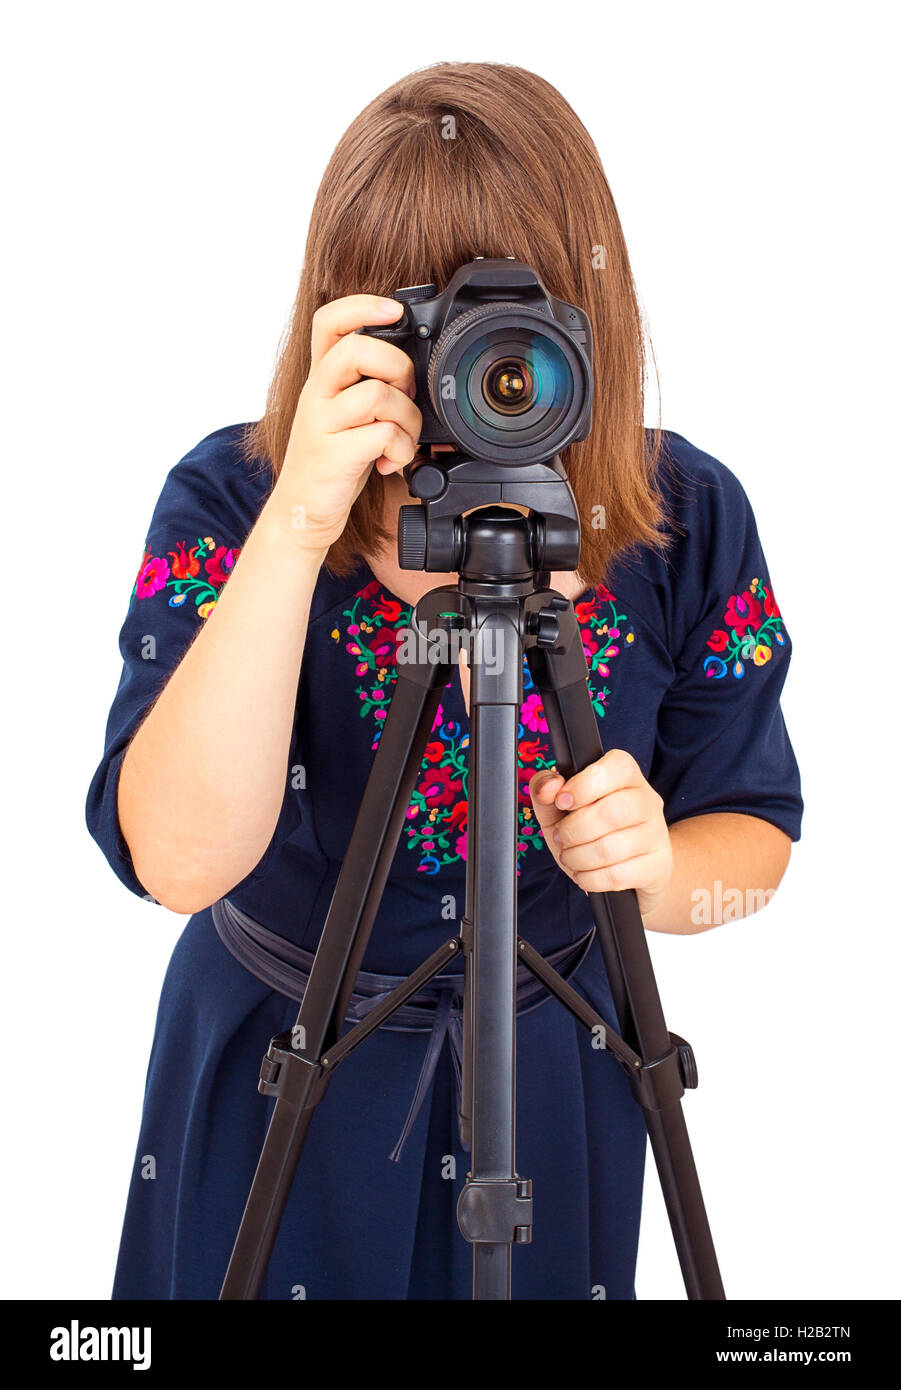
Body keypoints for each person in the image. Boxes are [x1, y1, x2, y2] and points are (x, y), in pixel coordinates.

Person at [86, 62, 802, 1300]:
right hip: (278, 1061)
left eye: (521, 324)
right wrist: (300, 524)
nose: (483, 371)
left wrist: (659, 866)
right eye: (435, 323)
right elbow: (175, 864)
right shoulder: (236, 498)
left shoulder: (686, 514)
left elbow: (757, 846)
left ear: (597, 311)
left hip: (556, 1068)